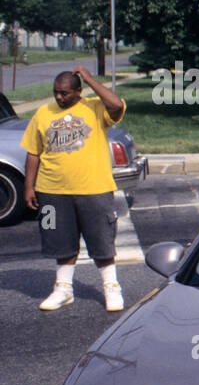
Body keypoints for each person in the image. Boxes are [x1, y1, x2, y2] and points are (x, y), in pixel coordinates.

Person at [22, 65, 127, 311]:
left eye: (65, 93)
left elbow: (117, 106)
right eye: (56, 92)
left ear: (79, 92)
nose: (59, 97)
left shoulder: (95, 107)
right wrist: (29, 187)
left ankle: (111, 287)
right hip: (52, 191)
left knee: (102, 240)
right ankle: (63, 289)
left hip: (94, 188)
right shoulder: (42, 113)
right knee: (59, 240)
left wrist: (90, 79)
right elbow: (33, 152)